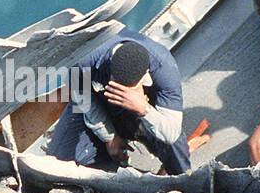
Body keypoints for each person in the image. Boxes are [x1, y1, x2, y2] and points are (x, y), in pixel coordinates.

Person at [45, 31, 190, 175]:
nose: (122, 95)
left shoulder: (165, 69)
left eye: (126, 91)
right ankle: (120, 176)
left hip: (141, 109)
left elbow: (172, 133)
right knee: (57, 164)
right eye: (116, 90)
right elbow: (84, 100)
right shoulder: (82, 62)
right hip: (100, 102)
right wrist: (109, 137)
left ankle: (180, 179)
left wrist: (143, 108)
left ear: (145, 76)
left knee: (173, 144)